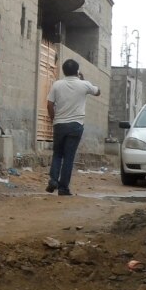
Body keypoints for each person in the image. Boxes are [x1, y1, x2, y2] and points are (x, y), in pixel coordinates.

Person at [45, 59, 101, 195]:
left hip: (59, 124)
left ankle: (53, 180)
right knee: (69, 157)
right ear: (77, 71)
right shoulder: (84, 85)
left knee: (57, 154)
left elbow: (49, 104)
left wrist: (54, 119)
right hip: (76, 126)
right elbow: (98, 92)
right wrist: (83, 79)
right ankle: (63, 188)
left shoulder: (57, 85)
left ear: (63, 71)